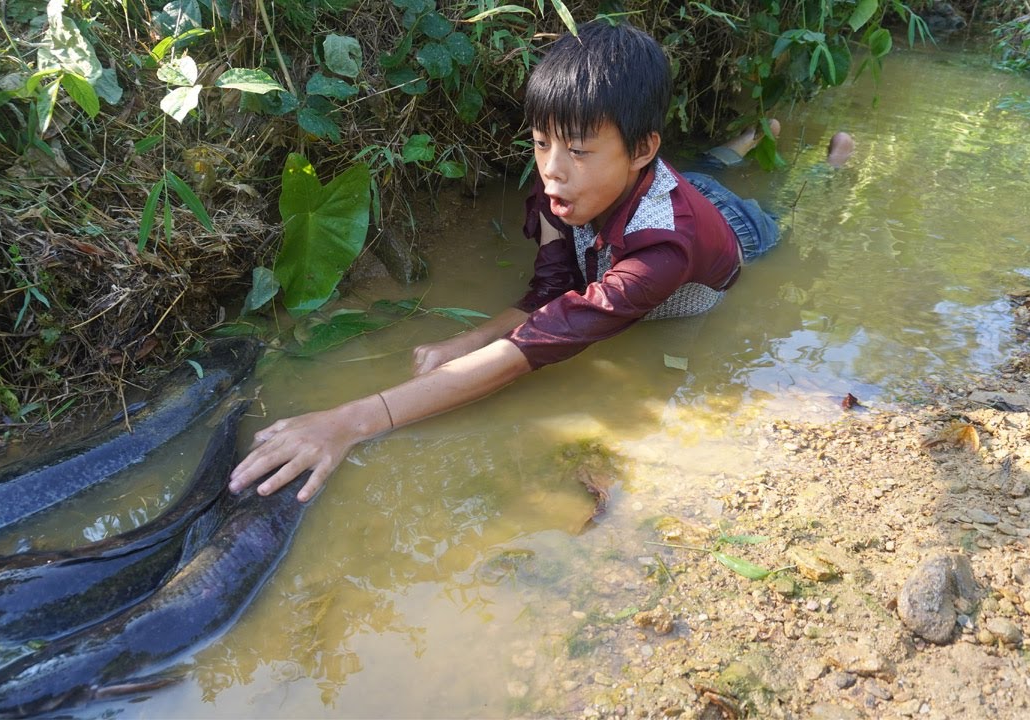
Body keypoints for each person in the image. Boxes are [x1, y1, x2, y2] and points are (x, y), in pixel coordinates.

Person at [229, 20, 852, 502]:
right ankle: (744, 139)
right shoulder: (568, 184)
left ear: (640, 149)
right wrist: (463, 341)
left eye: (578, 149)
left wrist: (352, 420)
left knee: (788, 215)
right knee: (705, 173)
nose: (552, 168)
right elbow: (550, 290)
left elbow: (544, 340)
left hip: (731, 230)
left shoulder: (663, 249)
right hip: (666, 185)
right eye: (541, 141)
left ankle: (830, 166)